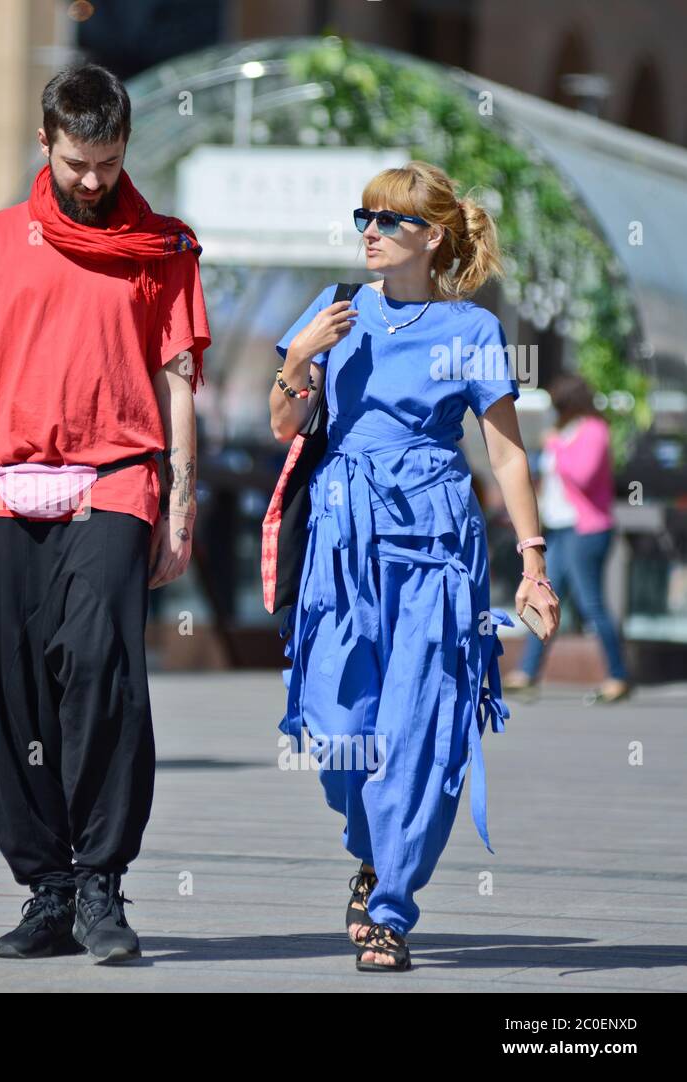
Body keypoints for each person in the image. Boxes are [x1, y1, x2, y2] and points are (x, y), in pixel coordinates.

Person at [0, 63, 210, 964]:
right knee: (8, 687)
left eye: (109, 161)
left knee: (99, 663)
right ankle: (48, 889)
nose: (95, 181)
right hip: (3, 484)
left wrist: (182, 504)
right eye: (78, 163)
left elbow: (178, 381)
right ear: (44, 144)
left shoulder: (166, 247)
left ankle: (102, 880)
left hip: (116, 480)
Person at [270, 161, 560, 972]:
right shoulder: (334, 311)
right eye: (363, 216)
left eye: (389, 220)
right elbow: (281, 423)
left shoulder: (468, 331)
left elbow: (504, 456)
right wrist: (298, 361)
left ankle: (391, 904)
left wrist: (533, 565)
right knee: (335, 729)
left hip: (434, 548)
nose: (369, 230)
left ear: (431, 237)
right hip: (342, 542)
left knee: (420, 725)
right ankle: (371, 845)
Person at [503, 374, 630, 704]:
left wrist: (556, 445)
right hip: (559, 529)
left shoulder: (593, 430)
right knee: (543, 596)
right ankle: (528, 672)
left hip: (587, 530)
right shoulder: (562, 431)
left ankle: (618, 675)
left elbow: (585, 476)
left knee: (592, 604)